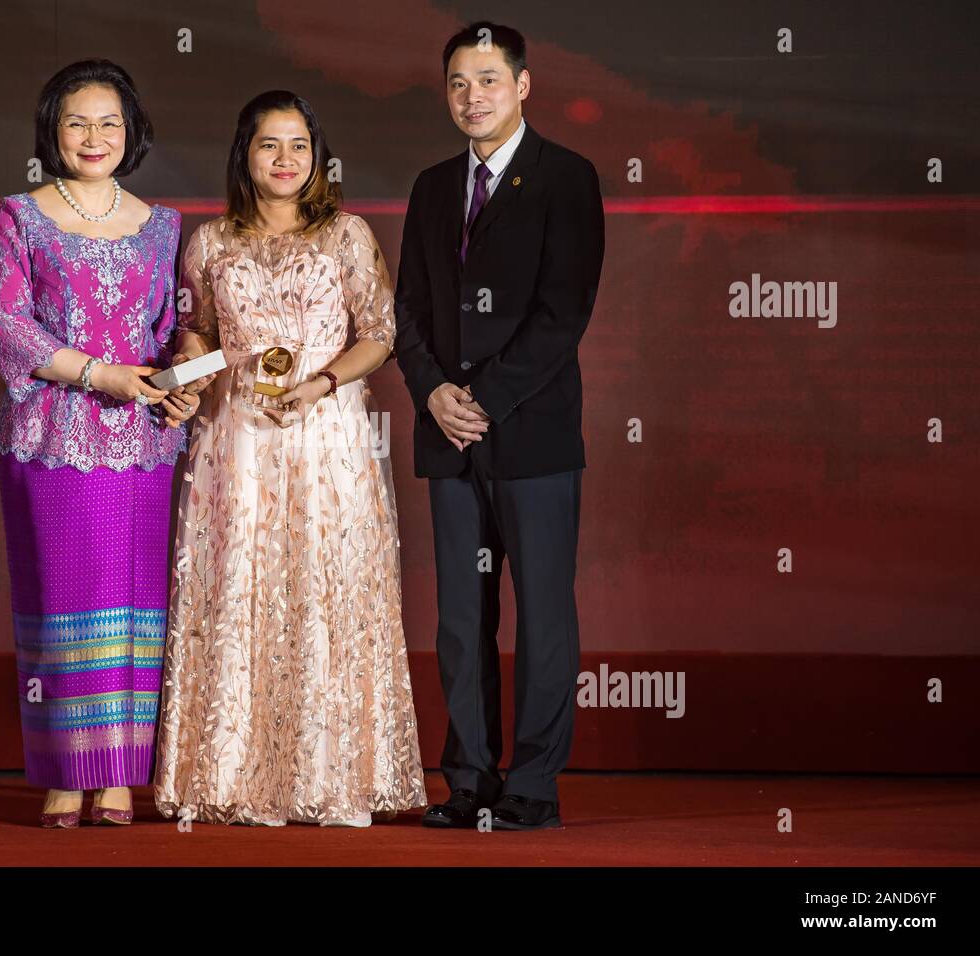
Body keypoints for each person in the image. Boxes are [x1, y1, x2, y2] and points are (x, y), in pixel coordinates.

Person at [153, 90, 428, 827]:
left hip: (326, 438)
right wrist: (185, 375)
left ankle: (331, 776)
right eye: (269, 145)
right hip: (235, 441)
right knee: (238, 589)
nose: (285, 160)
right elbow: (196, 335)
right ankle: (235, 778)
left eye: (299, 145)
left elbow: (381, 331)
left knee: (323, 588)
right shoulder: (209, 243)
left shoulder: (346, 236)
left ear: (318, 156)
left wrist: (321, 384)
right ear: (244, 154)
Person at [0, 59, 207, 828]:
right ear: (52, 130)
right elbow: (9, 325)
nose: (93, 136)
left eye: (109, 122)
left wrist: (181, 384)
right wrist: (100, 375)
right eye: (77, 122)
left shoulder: (162, 225)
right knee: (61, 602)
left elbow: (173, 333)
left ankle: (117, 777)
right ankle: (64, 773)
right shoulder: (22, 214)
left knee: (134, 606)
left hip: (141, 449)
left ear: (132, 132)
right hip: (52, 439)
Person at [394, 22, 605, 830]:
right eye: (456, 83)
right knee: (460, 618)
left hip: (534, 435)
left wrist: (484, 399)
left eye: (487, 80)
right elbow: (405, 307)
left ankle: (535, 783)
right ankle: (470, 776)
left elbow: (563, 314)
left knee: (545, 613)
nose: (470, 97)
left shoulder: (568, 179)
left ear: (522, 87)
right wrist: (433, 393)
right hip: (447, 437)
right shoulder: (432, 187)